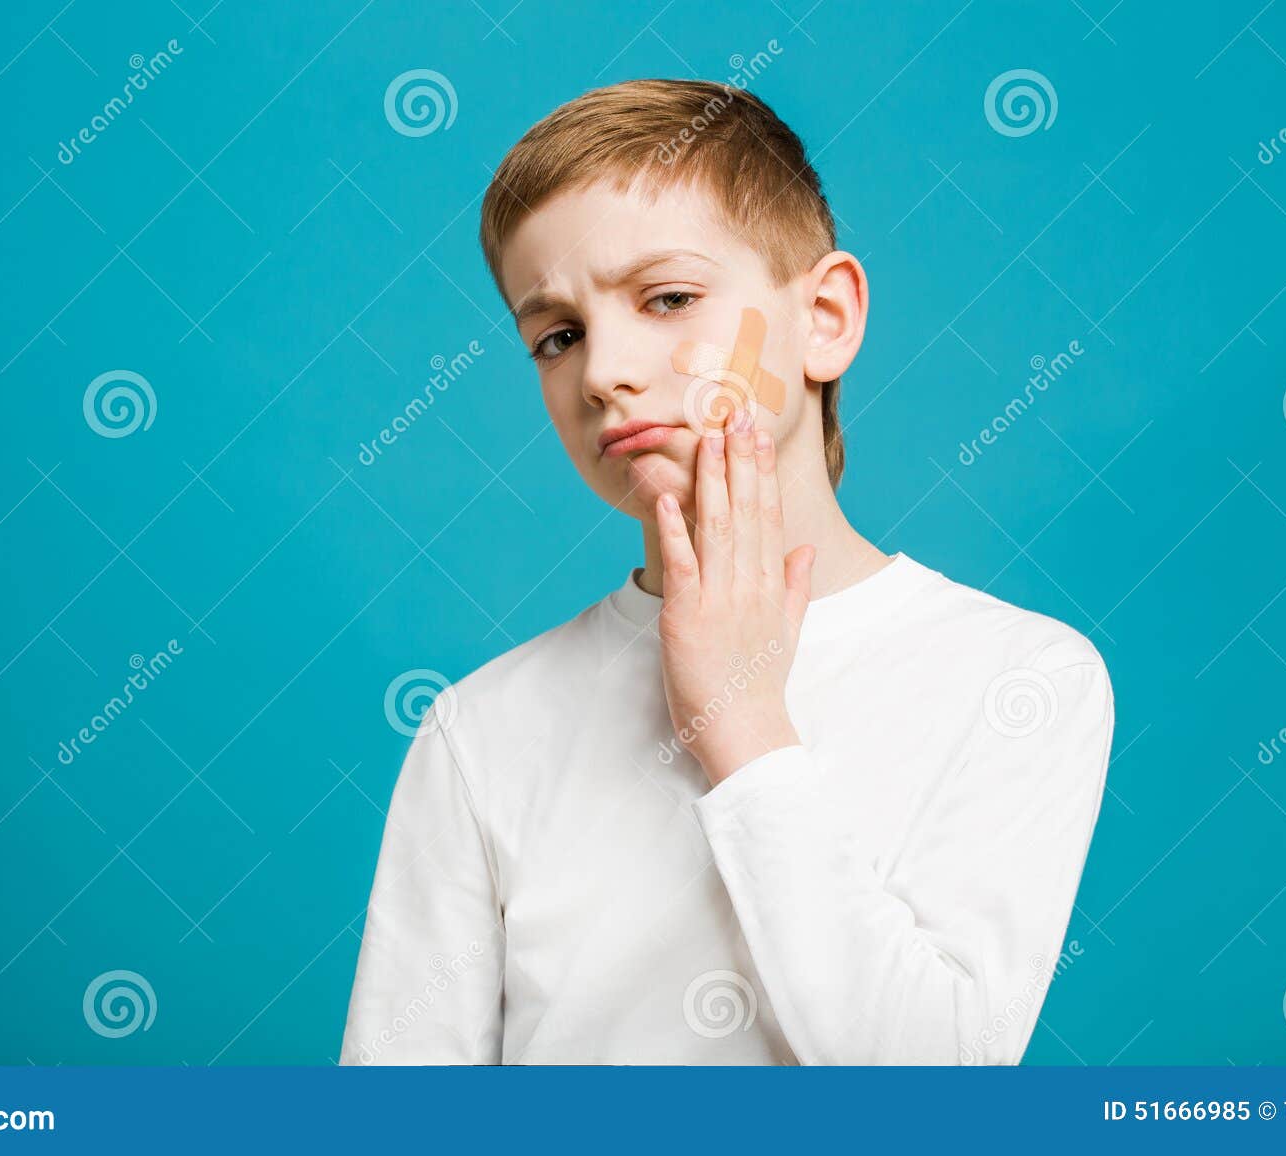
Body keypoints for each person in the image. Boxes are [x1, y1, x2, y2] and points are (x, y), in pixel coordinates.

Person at [340, 78, 1114, 1065]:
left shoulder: (1019, 676)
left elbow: (934, 1076)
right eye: (557, 336)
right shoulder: (479, 731)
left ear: (824, 317)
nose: (603, 371)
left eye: (667, 298)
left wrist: (742, 725)